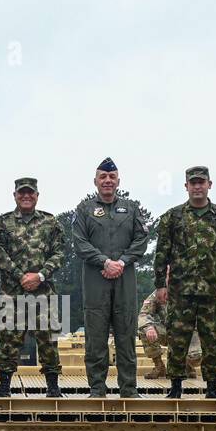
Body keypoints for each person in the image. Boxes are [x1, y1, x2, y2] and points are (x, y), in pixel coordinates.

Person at [153, 165, 216, 399]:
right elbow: (162, 253)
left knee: (213, 338)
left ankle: (212, 386)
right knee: (178, 338)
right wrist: (161, 284)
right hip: (181, 291)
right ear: (186, 187)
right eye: (193, 183)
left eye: (201, 182)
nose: (197, 186)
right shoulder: (173, 217)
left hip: (212, 291)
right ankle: (176, 386)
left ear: (209, 185)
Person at [70, 157, 149, 398]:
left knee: (126, 334)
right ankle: (97, 388)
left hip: (125, 278)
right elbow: (79, 243)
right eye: (102, 177)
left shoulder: (131, 208)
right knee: (96, 337)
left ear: (118, 181)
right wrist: (105, 262)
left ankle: (128, 388)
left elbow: (141, 240)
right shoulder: (84, 210)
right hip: (96, 279)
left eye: (111, 177)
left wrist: (121, 262)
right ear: (95, 181)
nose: (107, 181)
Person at [0, 177, 65, 398]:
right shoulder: (2, 224)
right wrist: (20, 276)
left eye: (30, 192)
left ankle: (53, 387)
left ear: (37, 196)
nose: (26, 196)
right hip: (12, 294)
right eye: (21, 192)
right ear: (14, 195)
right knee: (8, 341)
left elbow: (59, 253)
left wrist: (40, 275)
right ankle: (4, 388)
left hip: (43, 293)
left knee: (49, 340)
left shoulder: (51, 223)